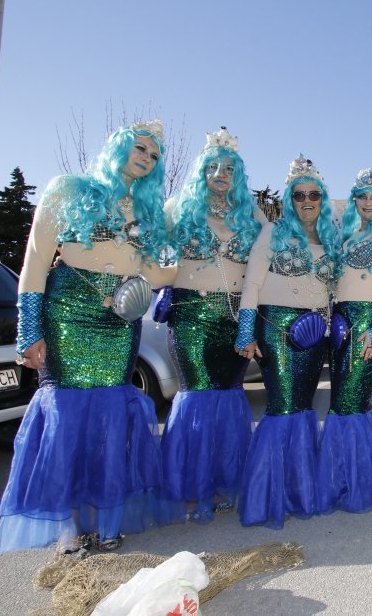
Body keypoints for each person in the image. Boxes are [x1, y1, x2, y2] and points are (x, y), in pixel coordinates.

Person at [0, 121, 176, 552]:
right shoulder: (68, 190)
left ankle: (109, 519)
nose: (146, 158)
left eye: (154, 156)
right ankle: (65, 527)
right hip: (68, 315)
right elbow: (36, 264)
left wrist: (146, 276)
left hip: (119, 321)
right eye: (140, 148)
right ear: (118, 146)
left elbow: (163, 271)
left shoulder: (149, 211)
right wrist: (29, 331)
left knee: (111, 419)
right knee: (67, 420)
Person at [162, 127, 263, 522]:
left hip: (236, 316)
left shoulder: (250, 214)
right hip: (191, 315)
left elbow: (273, 252)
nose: (221, 174)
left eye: (229, 169)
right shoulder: (179, 208)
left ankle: (225, 482)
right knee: (198, 395)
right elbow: (140, 245)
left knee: (230, 394)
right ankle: (190, 487)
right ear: (202, 170)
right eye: (214, 167)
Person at [235, 156, 337, 528]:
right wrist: (246, 330)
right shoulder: (273, 231)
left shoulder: (330, 237)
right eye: (299, 195)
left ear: (323, 199)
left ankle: (299, 488)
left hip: (314, 331)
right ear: (290, 199)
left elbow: (336, 287)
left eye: (314, 194)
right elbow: (252, 283)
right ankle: (268, 496)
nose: (307, 200)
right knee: (282, 405)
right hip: (276, 326)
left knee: (303, 405)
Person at [315, 169, 372, 513]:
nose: (368, 202)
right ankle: (340, 479)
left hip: (365, 322)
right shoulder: (345, 233)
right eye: (362, 196)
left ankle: (358, 485)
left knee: (352, 401)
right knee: (340, 400)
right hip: (339, 322)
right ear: (353, 199)